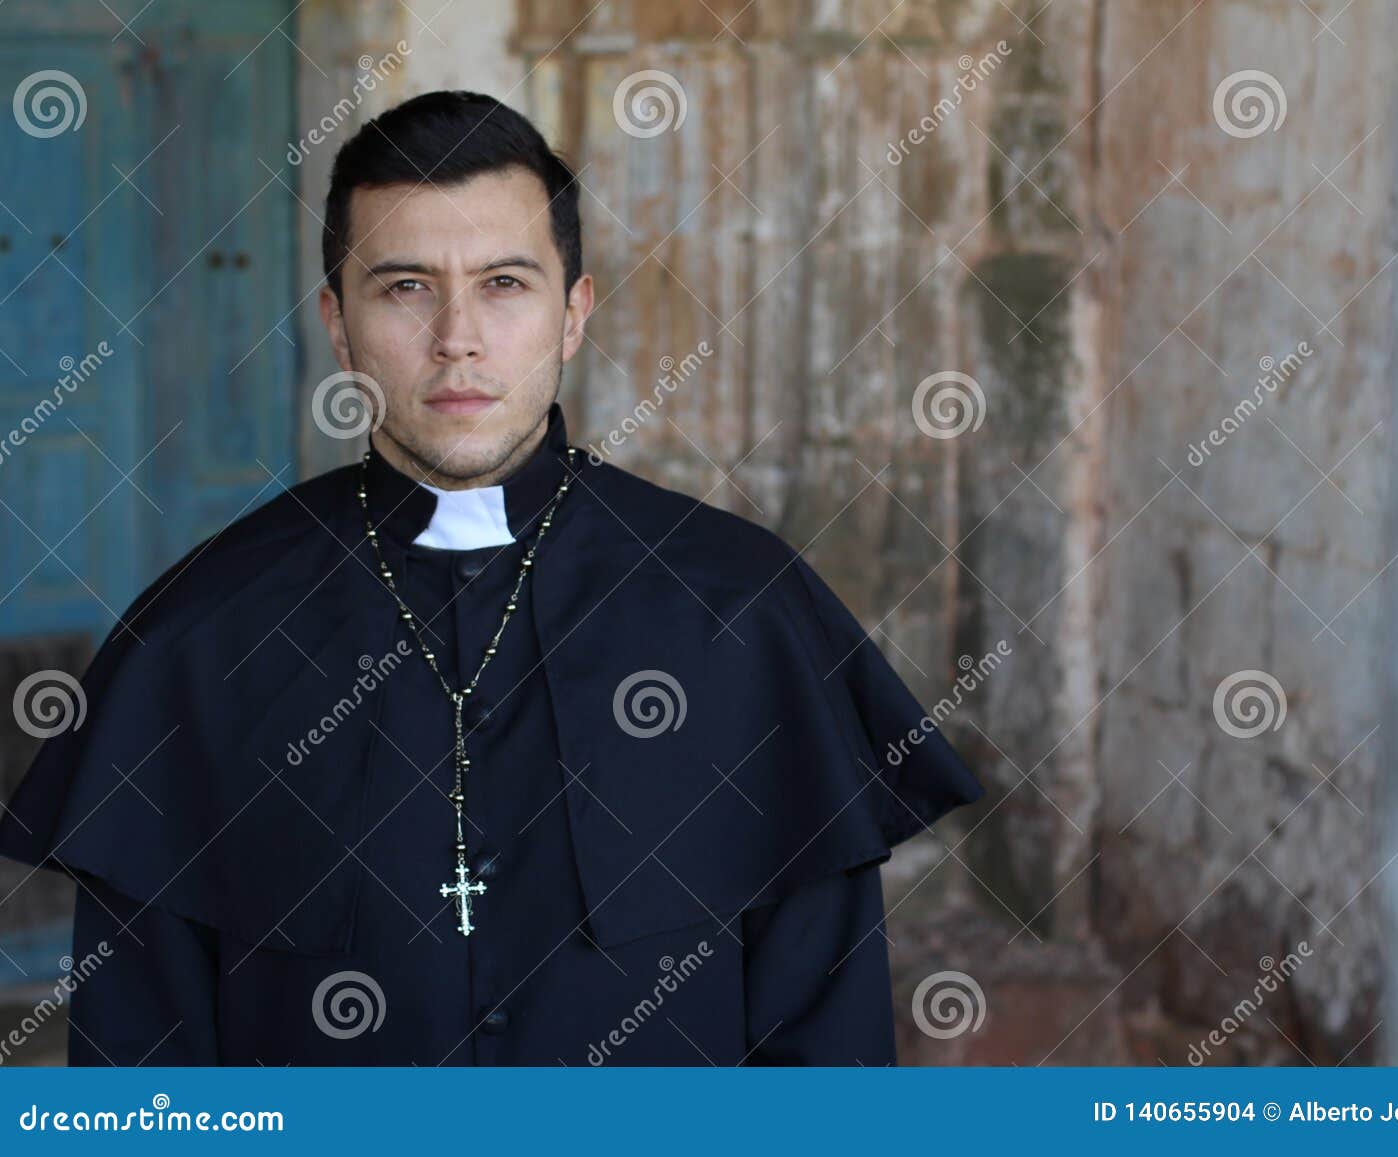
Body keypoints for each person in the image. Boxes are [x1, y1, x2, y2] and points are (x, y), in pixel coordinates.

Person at [0, 90, 984, 1065]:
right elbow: (142, 1073)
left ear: (573, 312)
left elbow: (826, 1055)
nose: (457, 337)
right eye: (407, 286)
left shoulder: (742, 610)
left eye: (505, 283)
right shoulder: (202, 636)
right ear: (338, 325)